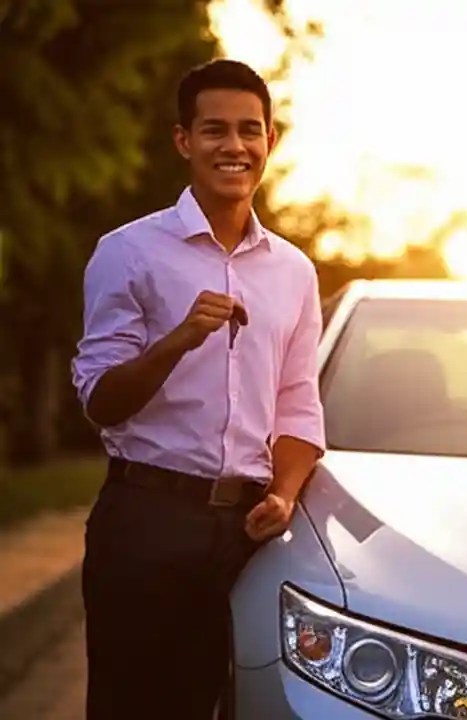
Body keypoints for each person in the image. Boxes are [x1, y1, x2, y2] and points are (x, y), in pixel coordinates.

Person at [71, 59, 325, 719]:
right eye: (214, 130)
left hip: (243, 531)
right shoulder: (129, 252)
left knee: (221, 706)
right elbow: (100, 398)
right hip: (146, 519)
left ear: (270, 139)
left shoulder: (294, 271)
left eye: (250, 130)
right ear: (184, 140)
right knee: (129, 706)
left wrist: (284, 492)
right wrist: (181, 338)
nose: (233, 147)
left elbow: (298, 401)